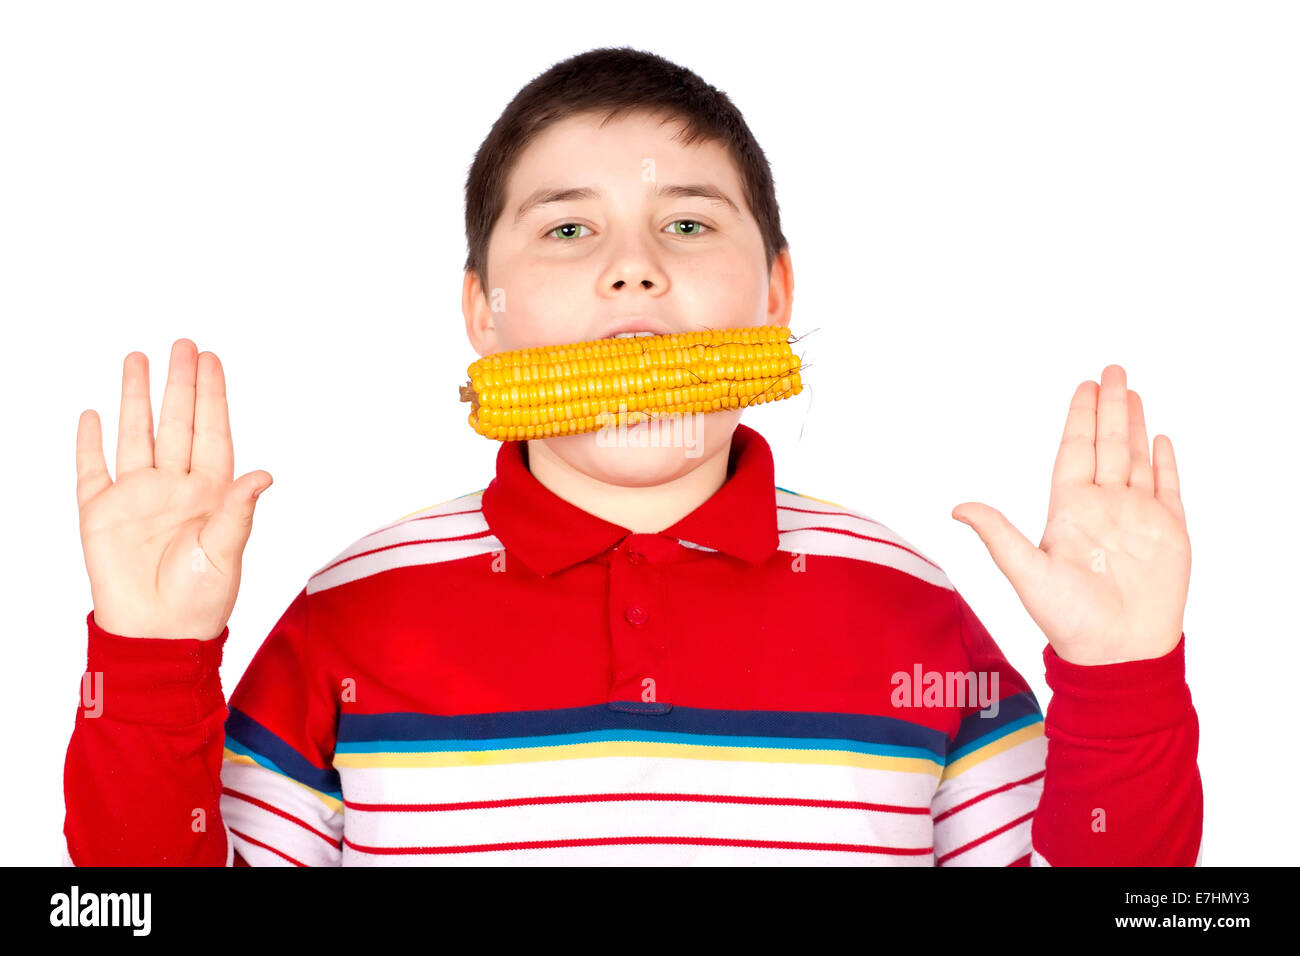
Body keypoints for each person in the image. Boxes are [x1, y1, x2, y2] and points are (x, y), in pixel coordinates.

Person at [64, 46, 1200, 865]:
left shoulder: (905, 602)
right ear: (484, 313)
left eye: (690, 224)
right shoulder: (350, 612)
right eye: (567, 228)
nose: (633, 268)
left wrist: (1124, 678)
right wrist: (154, 659)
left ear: (775, 295)